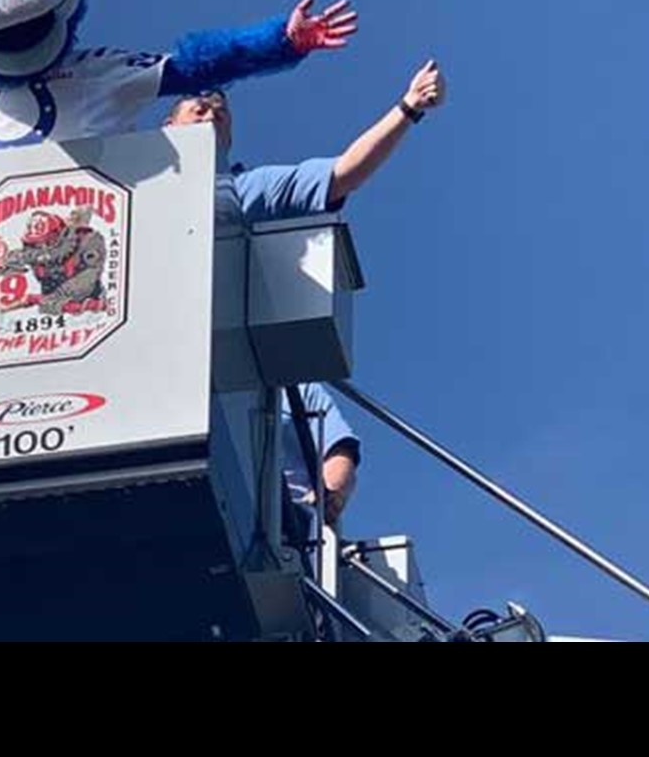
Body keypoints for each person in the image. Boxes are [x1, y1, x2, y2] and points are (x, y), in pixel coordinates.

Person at [163, 59, 445, 536]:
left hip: (249, 477)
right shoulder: (124, 185)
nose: (212, 109)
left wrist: (407, 109)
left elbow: (343, 174)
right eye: (199, 104)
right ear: (167, 125)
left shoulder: (247, 189)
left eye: (221, 108)